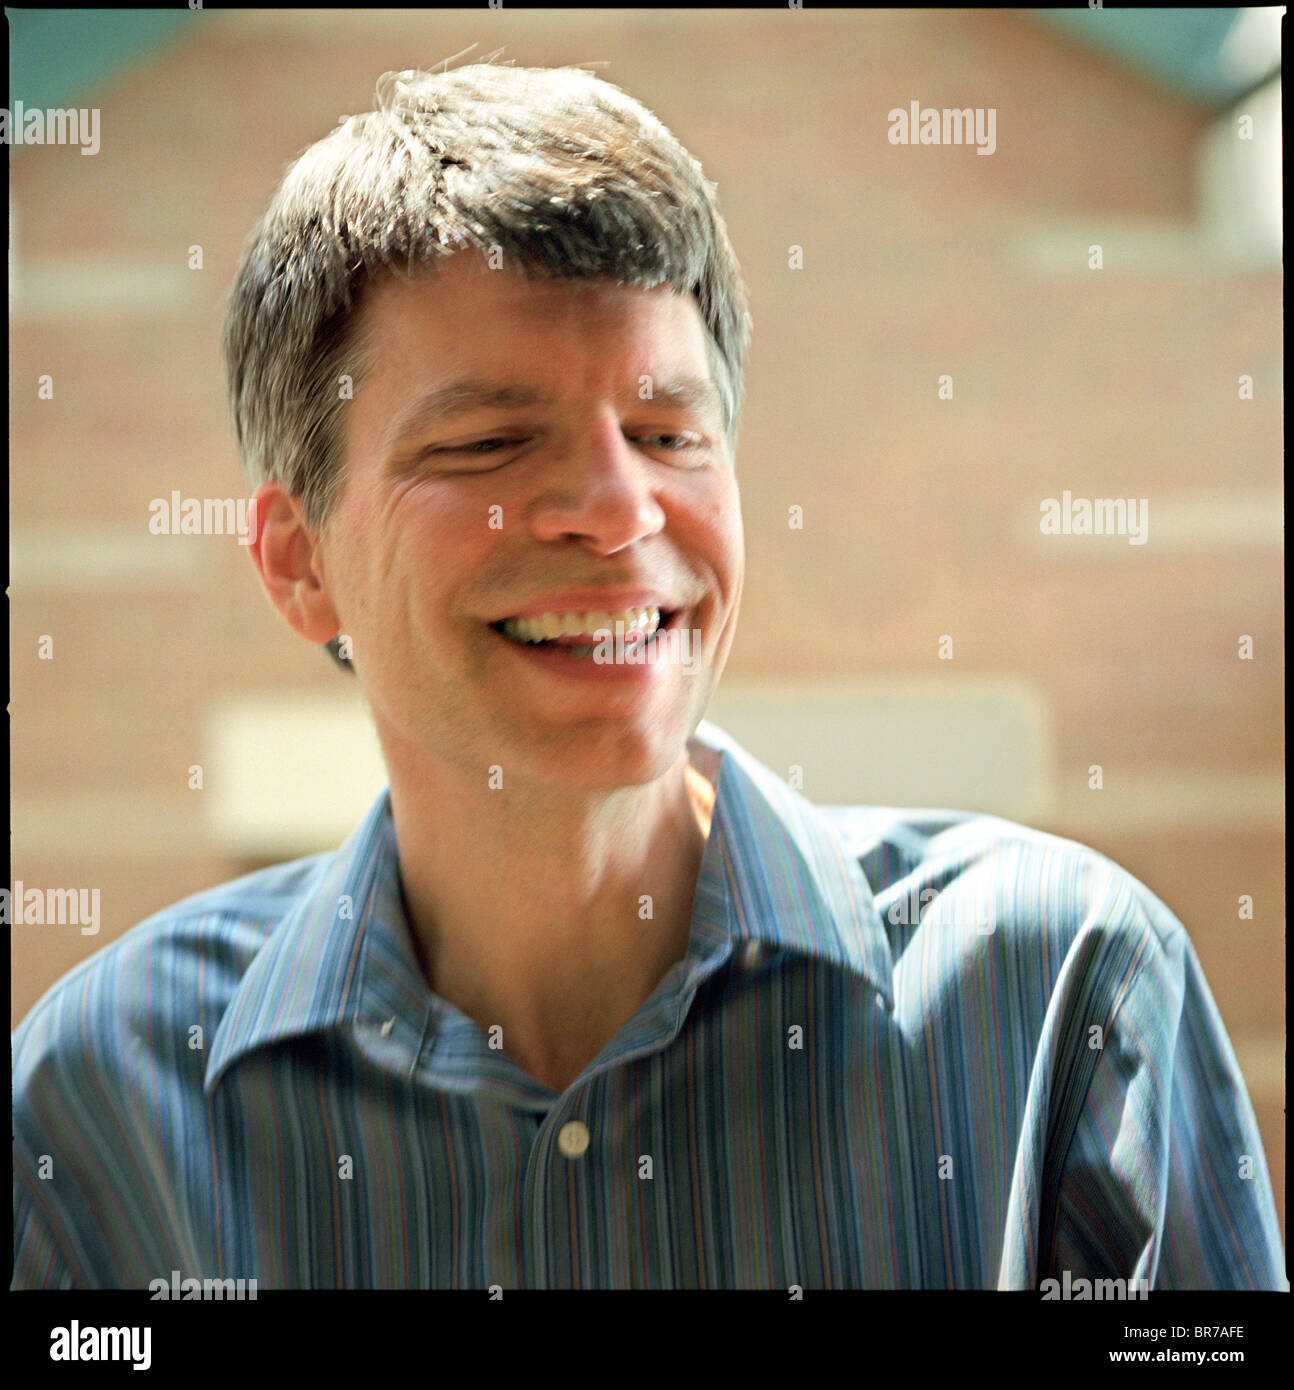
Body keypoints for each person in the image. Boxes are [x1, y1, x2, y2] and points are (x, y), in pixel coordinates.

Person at [12, 62, 1284, 1292]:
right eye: (491, 441)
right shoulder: (100, 1098)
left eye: (669, 433)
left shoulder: (1064, 990)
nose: (618, 511)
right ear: (300, 564)